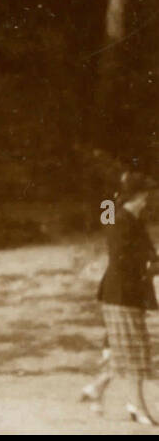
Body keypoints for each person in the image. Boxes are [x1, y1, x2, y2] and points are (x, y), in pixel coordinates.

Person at [83, 171, 158, 423]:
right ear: (136, 196)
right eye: (145, 195)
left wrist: (153, 265)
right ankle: (137, 407)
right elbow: (122, 259)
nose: (148, 200)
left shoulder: (132, 220)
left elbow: (149, 255)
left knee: (122, 348)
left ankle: (96, 389)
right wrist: (149, 268)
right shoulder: (120, 221)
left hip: (128, 294)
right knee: (135, 350)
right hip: (121, 294)